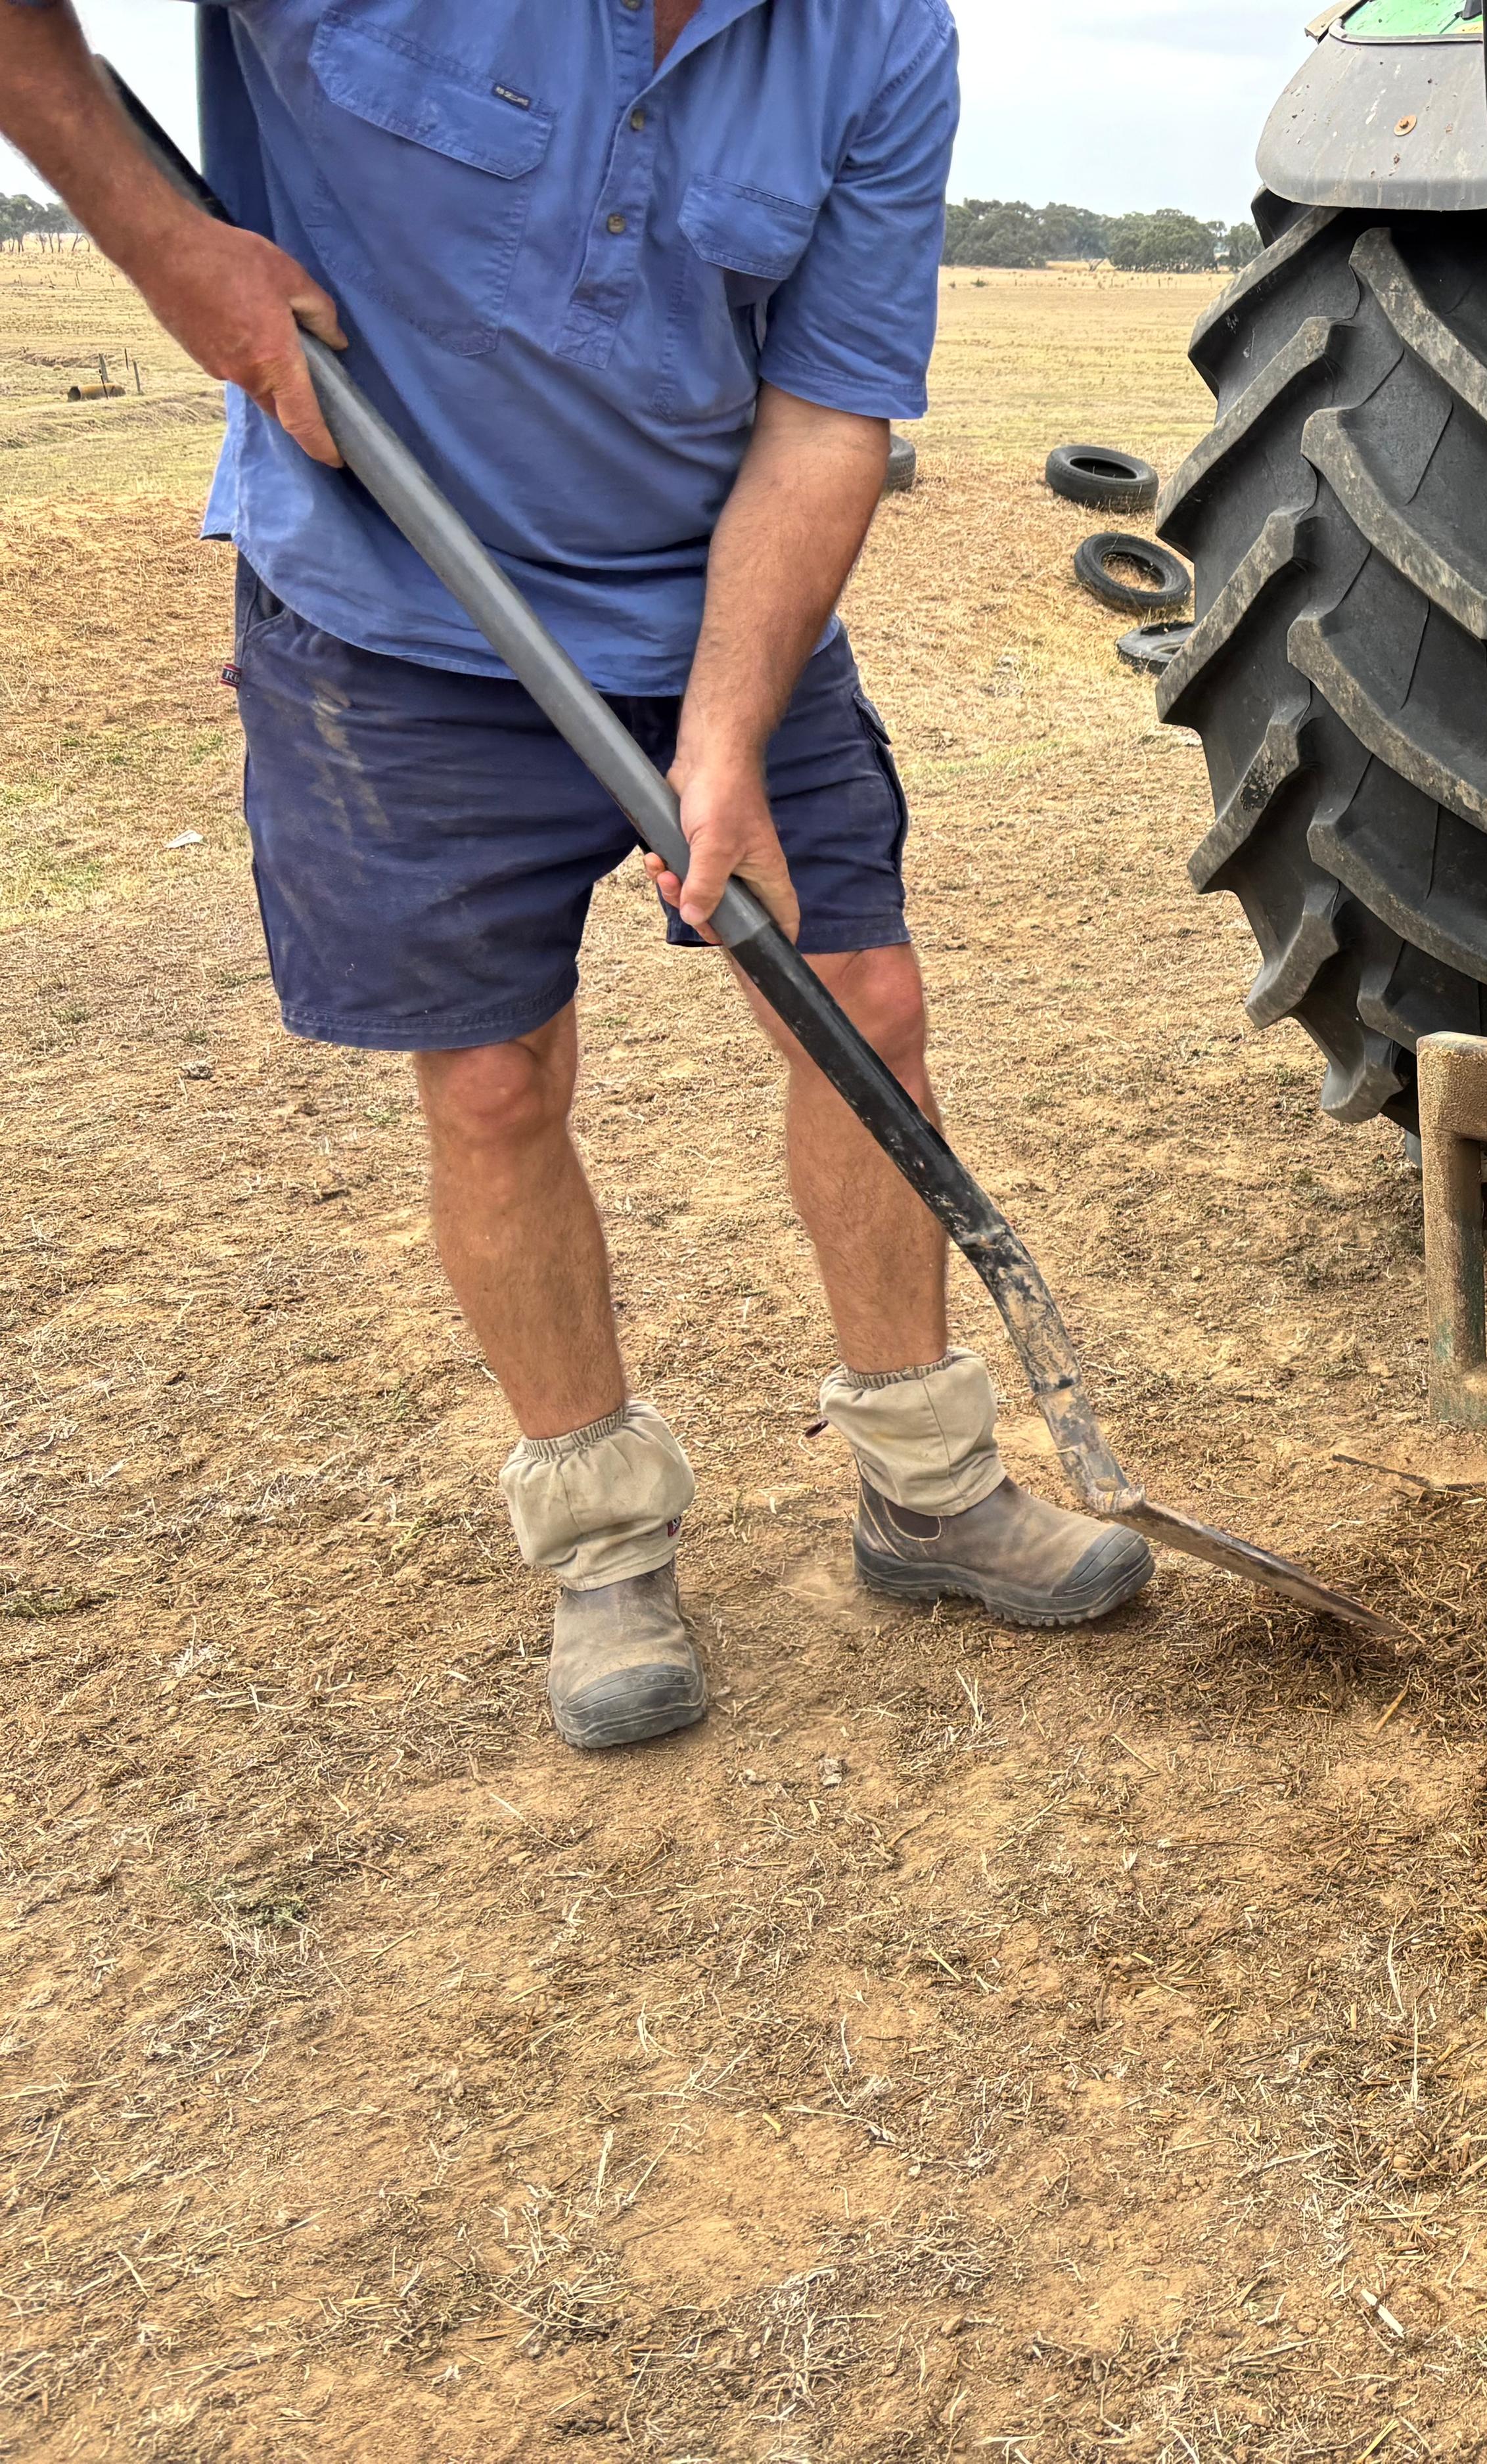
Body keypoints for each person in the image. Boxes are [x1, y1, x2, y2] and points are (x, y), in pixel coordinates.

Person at [0, 0, 1155, 1753]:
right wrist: (178, 260)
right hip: (397, 612)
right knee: (489, 1080)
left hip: (715, 592)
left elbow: (832, 411)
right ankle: (605, 1538)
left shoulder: (877, 41)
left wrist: (730, 729)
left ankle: (928, 1486)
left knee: (863, 1000)